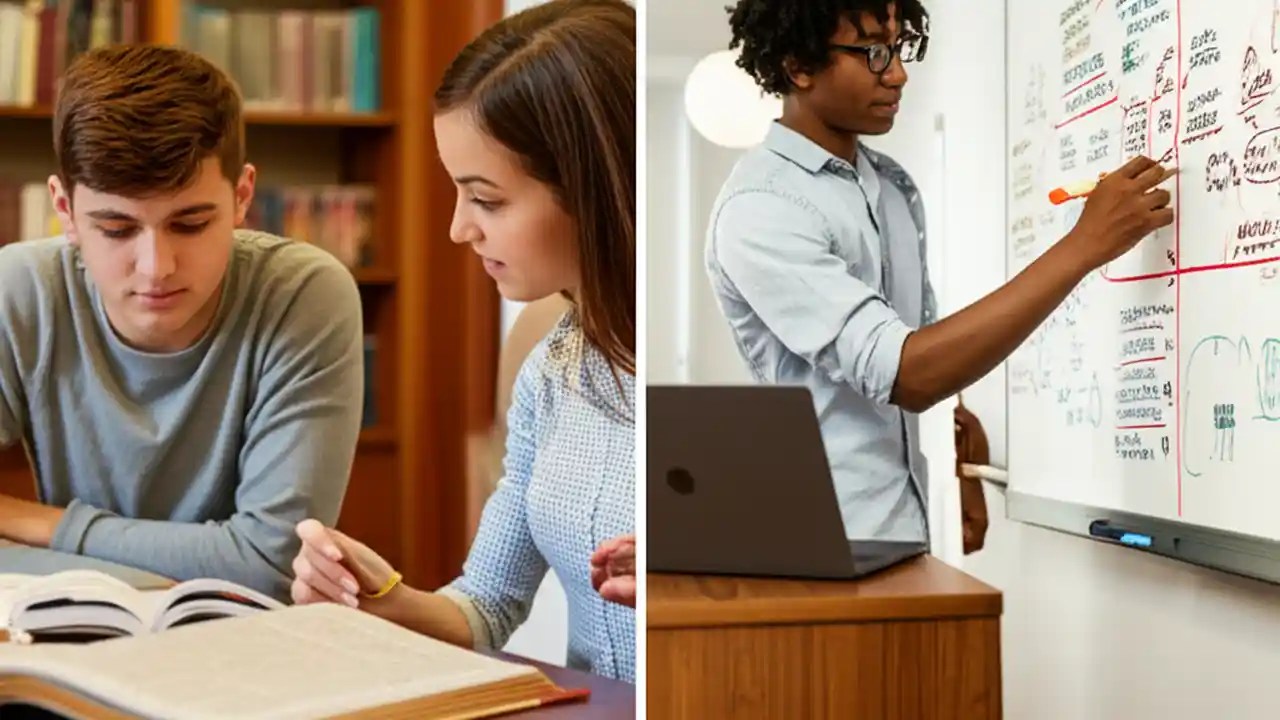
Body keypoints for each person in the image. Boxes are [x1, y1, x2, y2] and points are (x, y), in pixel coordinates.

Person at [705, 0, 1174, 547]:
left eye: (901, 47)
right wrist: (1082, 247)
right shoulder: (762, 207)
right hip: (821, 554)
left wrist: (965, 473)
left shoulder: (890, 185)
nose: (898, 73)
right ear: (798, 65)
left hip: (903, 536)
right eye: (874, 53)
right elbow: (909, 373)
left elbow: (922, 342)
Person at [289, 0, 638, 683]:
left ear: (592, 185)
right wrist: (378, 599)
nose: (459, 229)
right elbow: (485, 606)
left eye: (487, 199)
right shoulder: (551, 371)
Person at [0, 46, 364, 600]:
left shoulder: (304, 295)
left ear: (242, 195)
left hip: (242, 647)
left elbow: (272, 560)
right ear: (65, 209)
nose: (156, 267)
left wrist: (46, 524)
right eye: (117, 229)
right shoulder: (19, 289)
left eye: (190, 224)